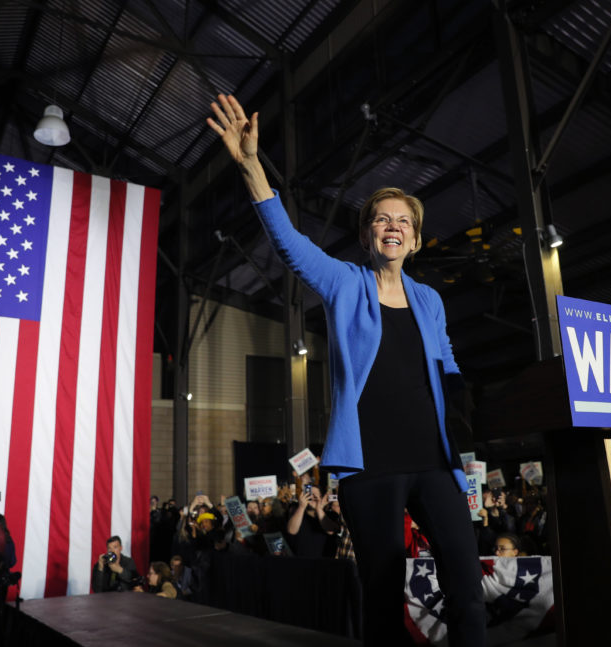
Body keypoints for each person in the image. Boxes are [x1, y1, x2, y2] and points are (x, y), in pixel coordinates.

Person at [208, 94, 485, 646]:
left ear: (415, 237)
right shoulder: (344, 284)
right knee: (381, 592)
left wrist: (466, 436)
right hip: (370, 466)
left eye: (403, 221)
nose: (392, 226)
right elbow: (289, 243)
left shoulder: (430, 299)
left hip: (435, 462)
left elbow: (448, 364)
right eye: (381, 219)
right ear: (366, 236)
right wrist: (250, 166)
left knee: (466, 583)